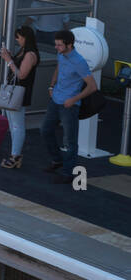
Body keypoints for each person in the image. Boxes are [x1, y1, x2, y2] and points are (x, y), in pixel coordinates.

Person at [42, 30, 99, 185]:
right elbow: (58, 68)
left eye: (59, 45)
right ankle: (57, 159)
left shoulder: (79, 62)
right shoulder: (62, 55)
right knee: (45, 130)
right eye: (56, 44)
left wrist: (74, 99)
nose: (56, 47)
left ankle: (68, 173)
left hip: (69, 105)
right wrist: (51, 85)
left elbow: (92, 86)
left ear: (70, 44)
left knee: (70, 141)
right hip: (56, 100)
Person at [0, 26, 39, 169]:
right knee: (13, 124)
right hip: (15, 91)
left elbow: (21, 75)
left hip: (19, 92)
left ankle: (15, 155)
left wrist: (9, 60)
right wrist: (10, 58)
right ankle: (14, 154)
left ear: (25, 38)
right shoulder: (24, 51)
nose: (17, 40)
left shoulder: (30, 54)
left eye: (19, 37)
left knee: (17, 125)